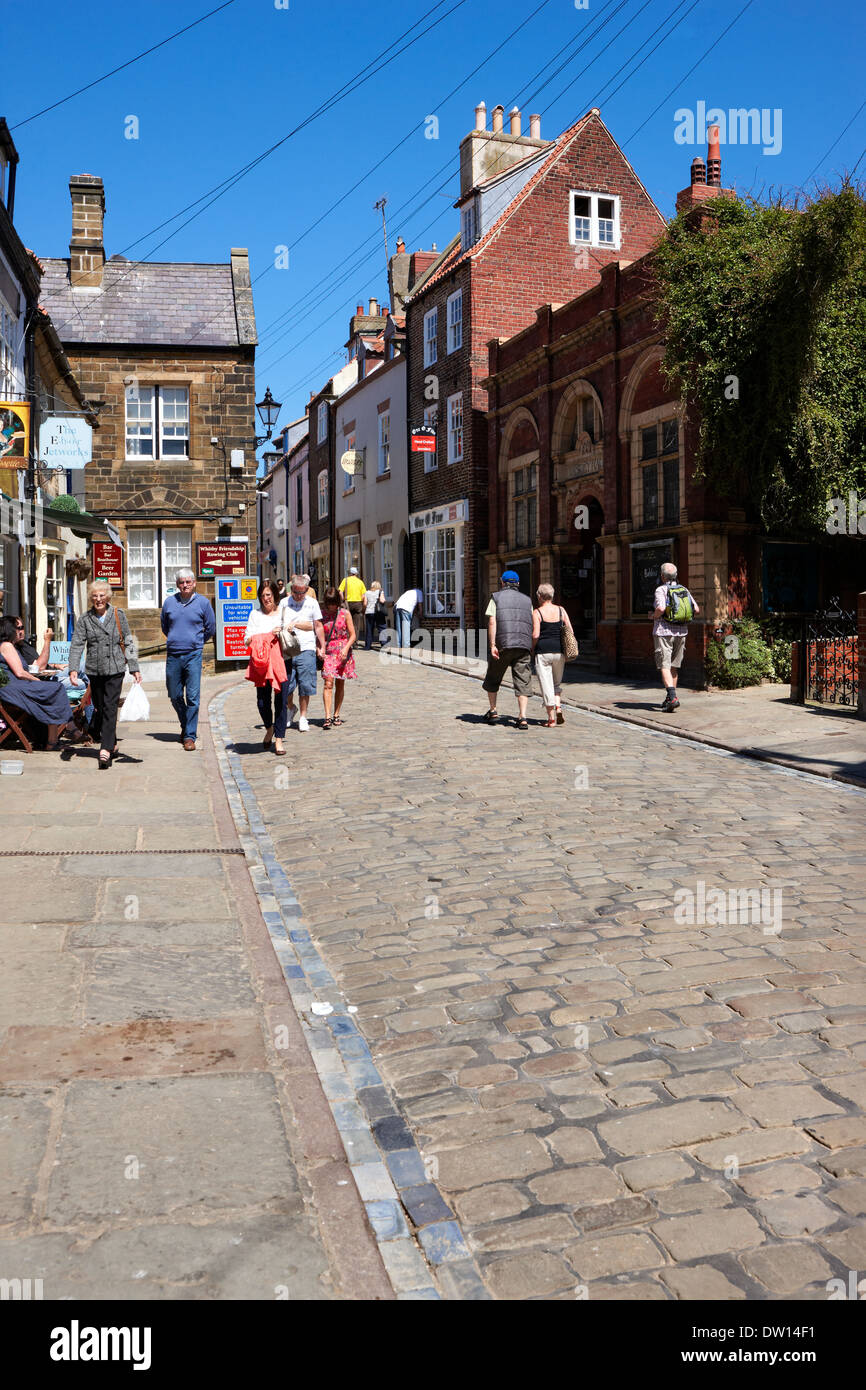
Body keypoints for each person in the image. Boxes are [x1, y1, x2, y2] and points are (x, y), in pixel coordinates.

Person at [68, 583, 142, 767]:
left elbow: (129, 642)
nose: (98, 599)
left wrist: (134, 667)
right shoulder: (85, 619)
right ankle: (113, 742)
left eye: (102, 596)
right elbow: (77, 644)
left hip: (115, 668)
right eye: (95, 596)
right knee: (101, 707)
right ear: (91, 598)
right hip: (95, 669)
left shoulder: (118, 615)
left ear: (108, 597)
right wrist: (73, 668)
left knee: (110, 707)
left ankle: (105, 749)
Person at [160, 567, 216, 750]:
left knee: (192, 697)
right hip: (174, 655)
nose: (185, 585)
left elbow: (210, 627)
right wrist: (177, 639)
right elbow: (165, 626)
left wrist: (197, 642)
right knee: (175, 694)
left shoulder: (203, 603)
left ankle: (189, 736)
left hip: (193, 654)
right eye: (181, 582)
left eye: (188, 582)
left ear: (194, 583)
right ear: (177, 585)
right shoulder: (169, 602)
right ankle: (186, 724)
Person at [0, 616, 74, 750]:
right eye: (18, 628)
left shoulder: (14, 647)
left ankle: (55, 739)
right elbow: (20, 673)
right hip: (12, 688)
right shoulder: (7, 646)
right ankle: (68, 728)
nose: (20, 631)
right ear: (10, 630)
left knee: (54, 689)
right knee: (55, 688)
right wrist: (37, 680)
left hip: (15, 686)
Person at [482, 570, 534, 730]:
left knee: (493, 677)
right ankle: (523, 716)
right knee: (523, 681)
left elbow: (492, 621)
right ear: (517, 583)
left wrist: (492, 645)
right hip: (523, 645)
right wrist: (530, 644)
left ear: (502, 583)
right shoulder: (528, 600)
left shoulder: (496, 597)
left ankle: (493, 711)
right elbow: (530, 622)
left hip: (503, 644)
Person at [244, 579, 289, 755]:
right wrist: (267, 636)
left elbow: (295, 630)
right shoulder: (255, 615)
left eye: (268, 595)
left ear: (275, 595)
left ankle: (278, 739)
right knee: (262, 702)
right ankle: (269, 728)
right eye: (262, 596)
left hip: (281, 662)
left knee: (281, 701)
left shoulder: (283, 613)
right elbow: (247, 638)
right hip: (261, 664)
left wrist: (285, 630)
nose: (266, 599)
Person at [650, 562, 700, 712]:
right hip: (681, 632)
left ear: (662, 576)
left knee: (664, 665)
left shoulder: (661, 589)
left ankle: (672, 697)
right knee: (673, 666)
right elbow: (696, 609)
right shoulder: (683, 589)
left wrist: (653, 616)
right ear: (676, 576)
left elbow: (660, 608)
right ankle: (670, 698)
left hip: (664, 632)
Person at [278, 574, 324, 732]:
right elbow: (277, 623)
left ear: (307, 590)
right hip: (288, 650)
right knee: (287, 686)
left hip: (307, 648)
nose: (298, 596)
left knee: (305, 685)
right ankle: (291, 708)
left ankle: (303, 717)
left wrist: (322, 645)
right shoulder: (284, 603)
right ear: (291, 589)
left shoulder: (312, 603)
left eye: (302, 592)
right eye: (296, 592)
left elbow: (316, 626)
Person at [532, 584, 576, 727]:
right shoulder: (561, 610)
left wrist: (532, 647)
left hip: (543, 652)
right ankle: (558, 707)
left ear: (539, 596)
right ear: (552, 595)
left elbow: (536, 634)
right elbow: (570, 630)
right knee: (556, 684)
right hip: (559, 652)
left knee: (546, 685)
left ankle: (551, 718)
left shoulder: (537, 612)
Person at [320, 587, 356, 729]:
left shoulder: (345, 614)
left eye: (333, 603)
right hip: (329, 652)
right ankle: (327, 715)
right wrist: (319, 647)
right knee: (328, 683)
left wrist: (346, 648)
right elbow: (319, 634)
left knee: (340, 684)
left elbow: (353, 634)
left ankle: (336, 714)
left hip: (343, 653)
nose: (331, 607)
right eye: (329, 603)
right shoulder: (322, 615)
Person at [394, 585, 423, 649]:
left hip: (397, 607)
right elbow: (420, 607)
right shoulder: (419, 592)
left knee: (399, 628)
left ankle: (398, 646)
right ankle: (406, 646)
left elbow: (414, 607)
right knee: (406, 628)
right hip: (406, 609)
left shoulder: (409, 592)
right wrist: (421, 616)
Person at [338, 566, 366, 631]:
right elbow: (363, 595)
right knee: (356, 623)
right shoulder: (360, 582)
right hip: (358, 603)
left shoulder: (345, 580)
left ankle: (348, 638)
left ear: (350, 573)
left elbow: (340, 592)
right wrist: (361, 601)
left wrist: (343, 600)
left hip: (348, 603)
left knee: (347, 621)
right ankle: (355, 640)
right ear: (356, 574)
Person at [362, 580, 383, 650]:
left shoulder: (366, 593)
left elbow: (365, 603)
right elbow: (382, 600)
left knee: (369, 629)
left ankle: (367, 646)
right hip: (377, 612)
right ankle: (383, 644)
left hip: (369, 612)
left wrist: (364, 610)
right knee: (380, 628)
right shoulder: (380, 592)